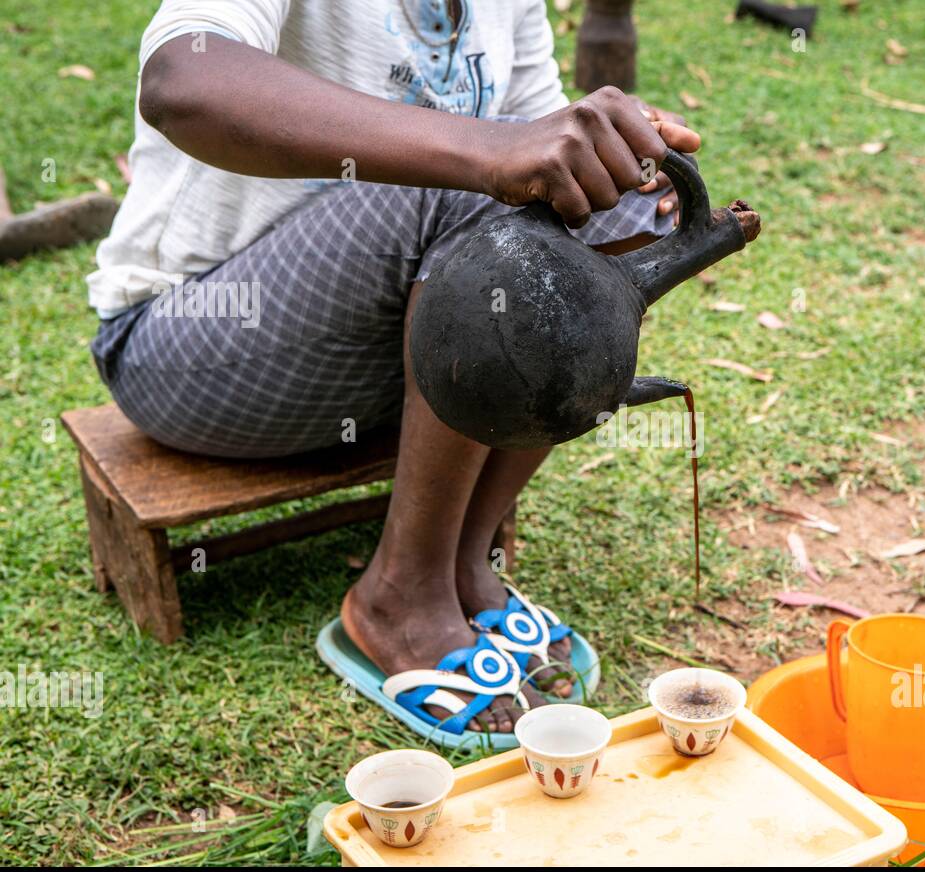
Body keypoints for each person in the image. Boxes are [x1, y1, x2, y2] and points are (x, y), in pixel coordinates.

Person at [86, 0, 702, 736]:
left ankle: (466, 565)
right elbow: (180, 79)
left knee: (603, 208)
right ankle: (400, 597)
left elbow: (549, 150)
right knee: (469, 184)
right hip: (191, 347)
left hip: (367, 357)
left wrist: (622, 166)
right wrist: (486, 153)